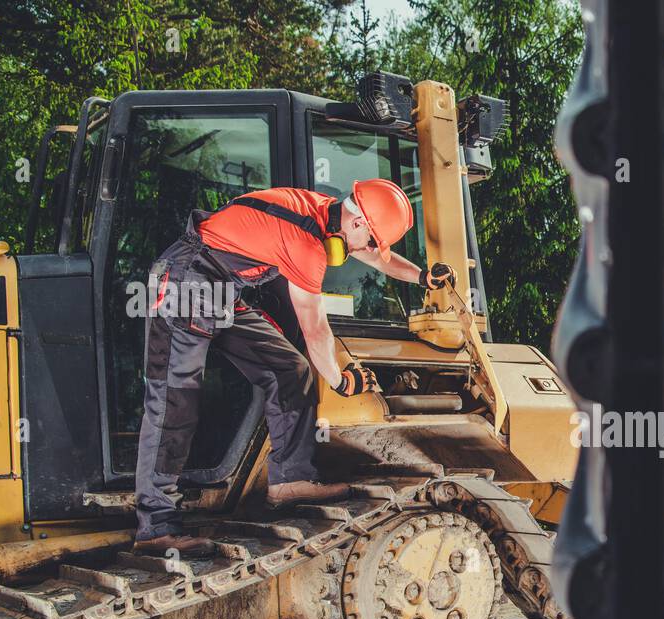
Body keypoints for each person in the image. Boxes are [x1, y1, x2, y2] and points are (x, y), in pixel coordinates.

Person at [133, 178, 456, 555]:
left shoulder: (326, 214)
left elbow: (373, 255)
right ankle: (155, 527)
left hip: (221, 287)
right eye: (372, 240)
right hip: (187, 281)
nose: (370, 251)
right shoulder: (306, 244)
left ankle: (290, 479)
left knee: (290, 369)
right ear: (356, 224)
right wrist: (340, 380)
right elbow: (315, 329)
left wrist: (420, 277)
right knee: (174, 402)